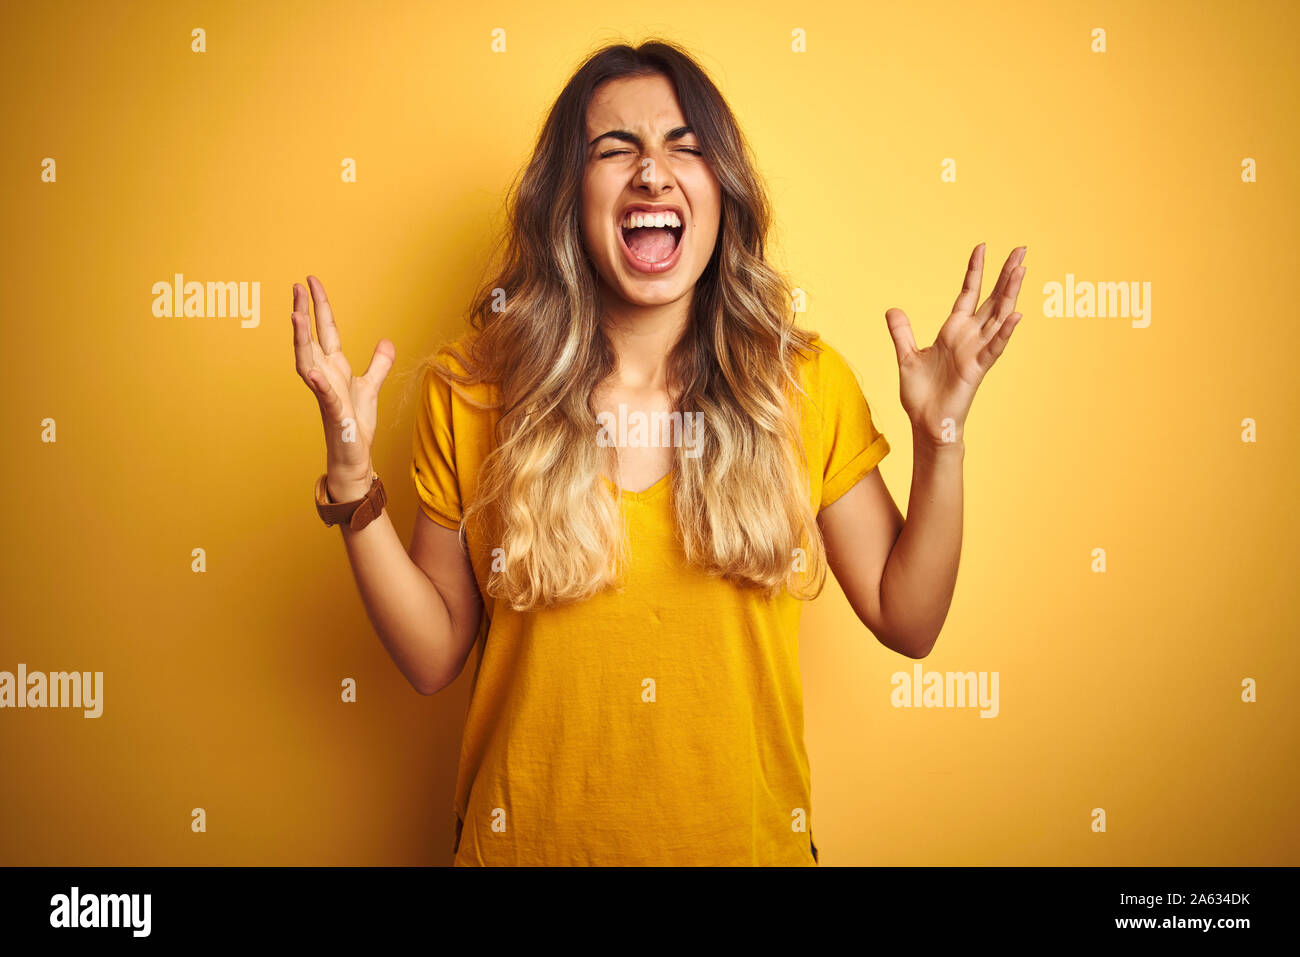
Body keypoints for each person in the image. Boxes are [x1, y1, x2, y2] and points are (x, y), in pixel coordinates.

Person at [289, 38, 1025, 866]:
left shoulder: (802, 384)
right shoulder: (472, 390)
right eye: (616, 149)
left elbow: (910, 618)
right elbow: (432, 659)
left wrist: (941, 436)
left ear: (723, 192)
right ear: (568, 198)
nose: (652, 172)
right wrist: (353, 486)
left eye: (686, 147)